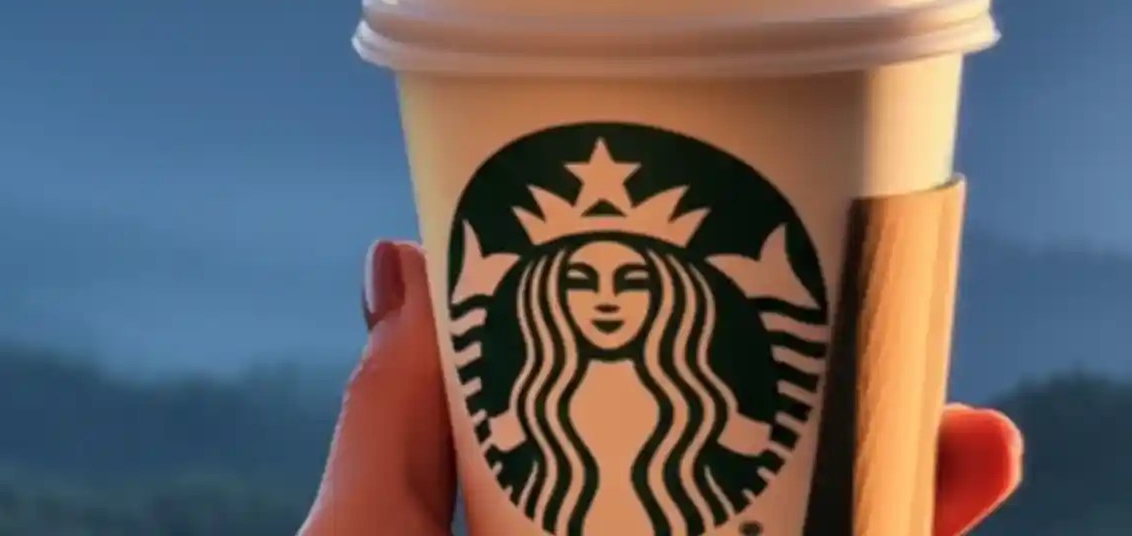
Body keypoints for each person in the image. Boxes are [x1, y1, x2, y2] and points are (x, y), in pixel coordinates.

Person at [299, 241, 1024, 536]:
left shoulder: (726, 427)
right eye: (581, 281)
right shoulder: (533, 422)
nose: (607, 301)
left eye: (633, 281)